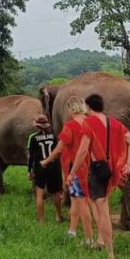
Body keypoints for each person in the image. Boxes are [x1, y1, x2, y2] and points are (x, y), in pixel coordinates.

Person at [67, 94, 130, 259]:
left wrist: (72, 172)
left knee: (103, 212)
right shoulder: (114, 122)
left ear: (89, 107)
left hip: (97, 169)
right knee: (97, 203)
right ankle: (100, 241)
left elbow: (83, 150)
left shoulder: (88, 123)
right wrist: (127, 163)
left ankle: (110, 253)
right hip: (112, 168)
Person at [41, 97, 94, 244]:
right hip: (89, 166)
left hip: (76, 169)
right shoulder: (90, 122)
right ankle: (72, 230)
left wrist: (46, 160)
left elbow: (59, 148)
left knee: (82, 203)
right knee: (75, 201)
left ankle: (89, 239)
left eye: (68, 108)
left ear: (71, 108)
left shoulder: (70, 125)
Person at [27, 114, 64, 224]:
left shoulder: (32, 138)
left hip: (40, 167)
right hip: (53, 166)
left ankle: (41, 220)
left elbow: (31, 156)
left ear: (37, 126)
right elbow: (58, 152)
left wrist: (29, 171)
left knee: (39, 194)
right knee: (55, 193)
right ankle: (58, 216)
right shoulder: (53, 136)